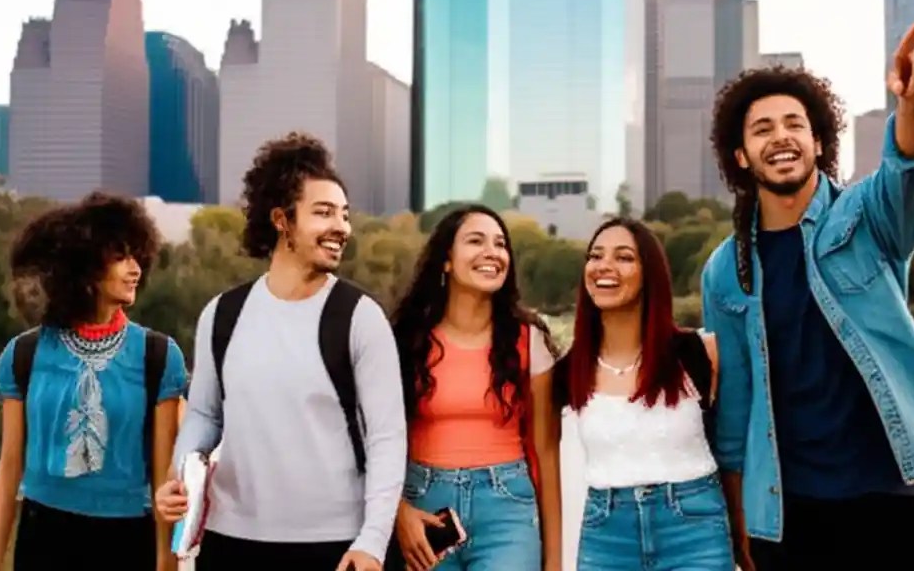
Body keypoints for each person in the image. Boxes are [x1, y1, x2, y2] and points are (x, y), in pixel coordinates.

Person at [702, 23, 914, 570]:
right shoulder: (724, 271)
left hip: (888, 496)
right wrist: (740, 522)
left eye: (794, 124)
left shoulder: (868, 218)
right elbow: (734, 409)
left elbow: (911, 169)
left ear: (819, 142)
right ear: (741, 155)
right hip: (786, 509)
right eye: (762, 129)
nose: (780, 136)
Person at [154, 132, 406, 570]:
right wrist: (181, 477)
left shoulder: (360, 317)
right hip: (231, 541)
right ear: (281, 219)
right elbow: (203, 415)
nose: (341, 228)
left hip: (335, 543)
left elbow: (387, 438)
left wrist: (373, 540)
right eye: (323, 213)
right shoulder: (223, 315)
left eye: (344, 215)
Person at [0, 192, 188, 571]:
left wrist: (166, 559)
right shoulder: (23, 355)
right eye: (121, 257)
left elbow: (165, 474)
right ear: (84, 266)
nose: (136, 270)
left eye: (138, 257)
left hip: (126, 540)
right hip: (42, 537)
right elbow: (9, 467)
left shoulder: (159, 357)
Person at [389, 204, 562, 571]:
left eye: (501, 244)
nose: (492, 252)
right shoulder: (406, 341)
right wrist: (399, 512)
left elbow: (548, 455)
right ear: (446, 260)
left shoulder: (529, 342)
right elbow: (379, 443)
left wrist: (555, 560)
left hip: (508, 510)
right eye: (475, 241)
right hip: (425, 508)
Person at [556, 218, 732, 571]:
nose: (604, 266)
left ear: (648, 273)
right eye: (595, 255)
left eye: (624, 257)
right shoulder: (567, 371)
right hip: (605, 535)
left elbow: (736, 446)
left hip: (694, 529)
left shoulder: (699, 353)